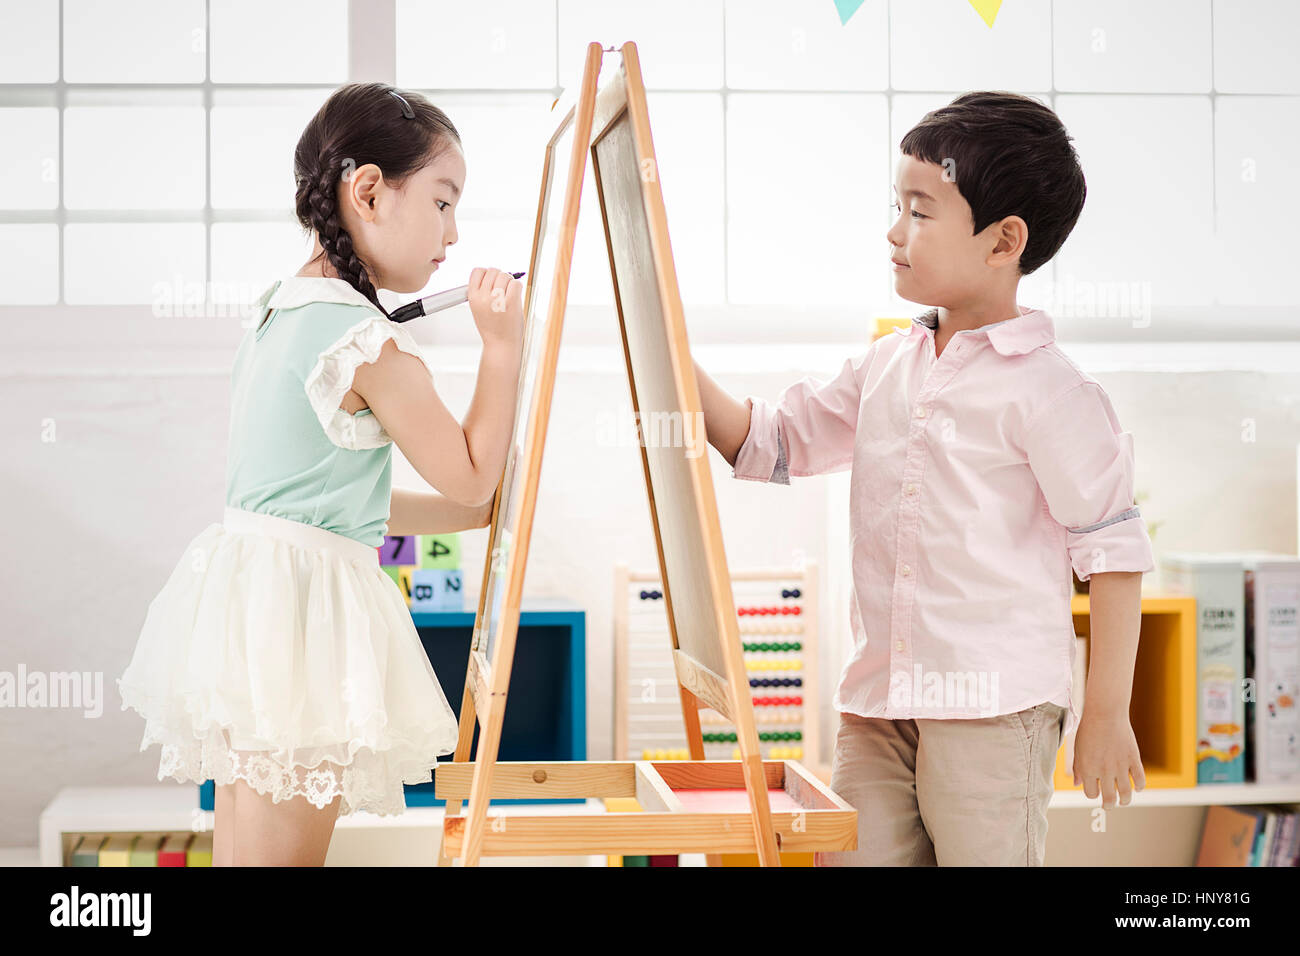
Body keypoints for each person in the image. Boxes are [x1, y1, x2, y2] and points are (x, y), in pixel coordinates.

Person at [694, 91, 1154, 865]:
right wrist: (673, 360)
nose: (892, 231)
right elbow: (772, 444)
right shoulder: (886, 366)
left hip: (994, 707)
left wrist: (1105, 713)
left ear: (1003, 240)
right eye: (895, 206)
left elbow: (1111, 551)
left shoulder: (1051, 390)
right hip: (878, 702)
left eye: (919, 211)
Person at [117, 82, 525, 866]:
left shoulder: (283, 312)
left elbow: (331, 505)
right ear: (368, 190)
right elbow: (472, 475)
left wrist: (473, 517)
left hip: (250, 610)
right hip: (300, 628)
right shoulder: (365, 344)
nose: (454, 232)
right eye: (443, 202)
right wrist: (502, 348)